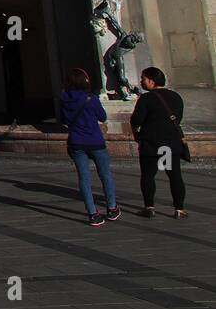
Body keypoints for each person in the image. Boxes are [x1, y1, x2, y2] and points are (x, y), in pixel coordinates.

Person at [59, 67, 119, 227]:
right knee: (105, 175)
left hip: (76, 142)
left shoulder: (64, 98)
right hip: (95, 141)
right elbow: (103, 117)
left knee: (84, 178)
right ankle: (112, 208)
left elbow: (64, 119)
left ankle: (92, 213)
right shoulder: (91, 98)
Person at [130, 67, 188, 219]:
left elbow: (136, 120)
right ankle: (179, 209)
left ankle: (149, 207)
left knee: (148, 176)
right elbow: (178, 118)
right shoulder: (176, 97)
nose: (141, 81)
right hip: (169, 145)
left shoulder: (146, 98)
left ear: (151, 80)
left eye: (143, 78)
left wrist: (137, 132)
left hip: (151, 145)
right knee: (174, 176)